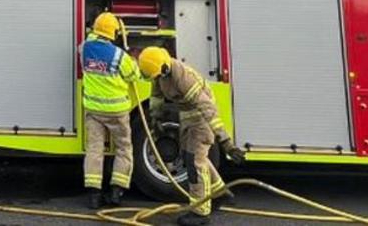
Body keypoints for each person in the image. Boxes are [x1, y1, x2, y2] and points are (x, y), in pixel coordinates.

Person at [138, 46, 245, 226]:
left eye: (156, 76)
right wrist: (155, 119)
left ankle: (200, 212)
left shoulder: (182, 77)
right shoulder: (160, 73)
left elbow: (207, 108)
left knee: (195, 163)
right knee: (194, 157)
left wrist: (226, 142)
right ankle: (219, 193)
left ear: (164, 67)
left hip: (201, 119)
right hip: (188, 118)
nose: (155, 79)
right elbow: (156, 96)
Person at [80, 12, 139, 209]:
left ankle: (93, 195)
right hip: (117, 112)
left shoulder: (85, 49)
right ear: (113, 32)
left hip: (94, 110)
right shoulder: (119, 55)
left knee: (95, 150)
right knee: (124, 148)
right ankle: (116, 191)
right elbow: (134, 75)